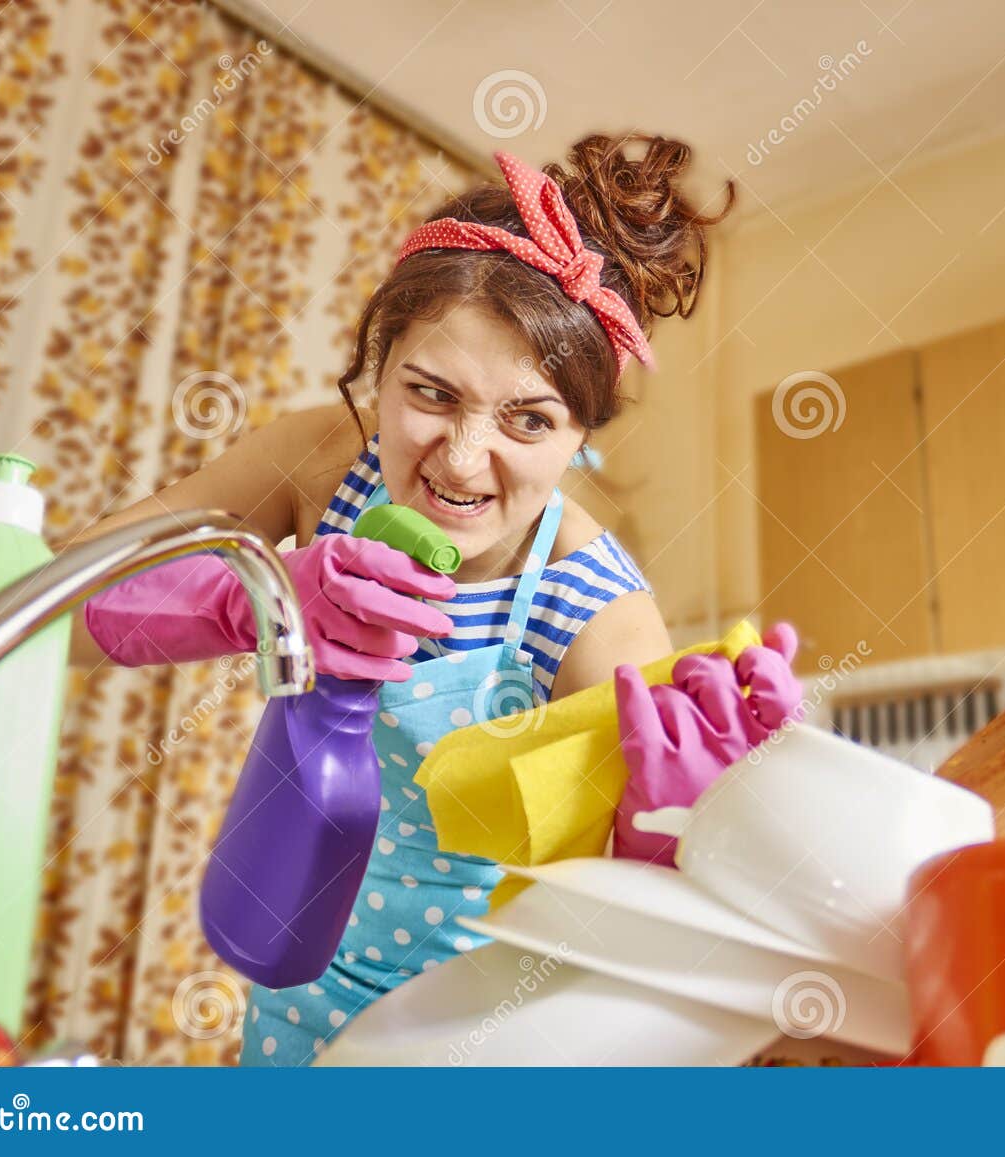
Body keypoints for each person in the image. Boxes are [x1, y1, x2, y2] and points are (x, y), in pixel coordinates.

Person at [70, 133, 802, 1065]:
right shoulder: (325, 462)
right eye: (432, 393)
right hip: (288, 997)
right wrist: (252, 593)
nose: (461, 459)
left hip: (473, 1043)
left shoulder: (591, 606)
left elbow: (642, 957)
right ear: (379, 368)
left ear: (580, 434)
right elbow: (55, 609)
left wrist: (676, 837)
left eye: (529, 420)